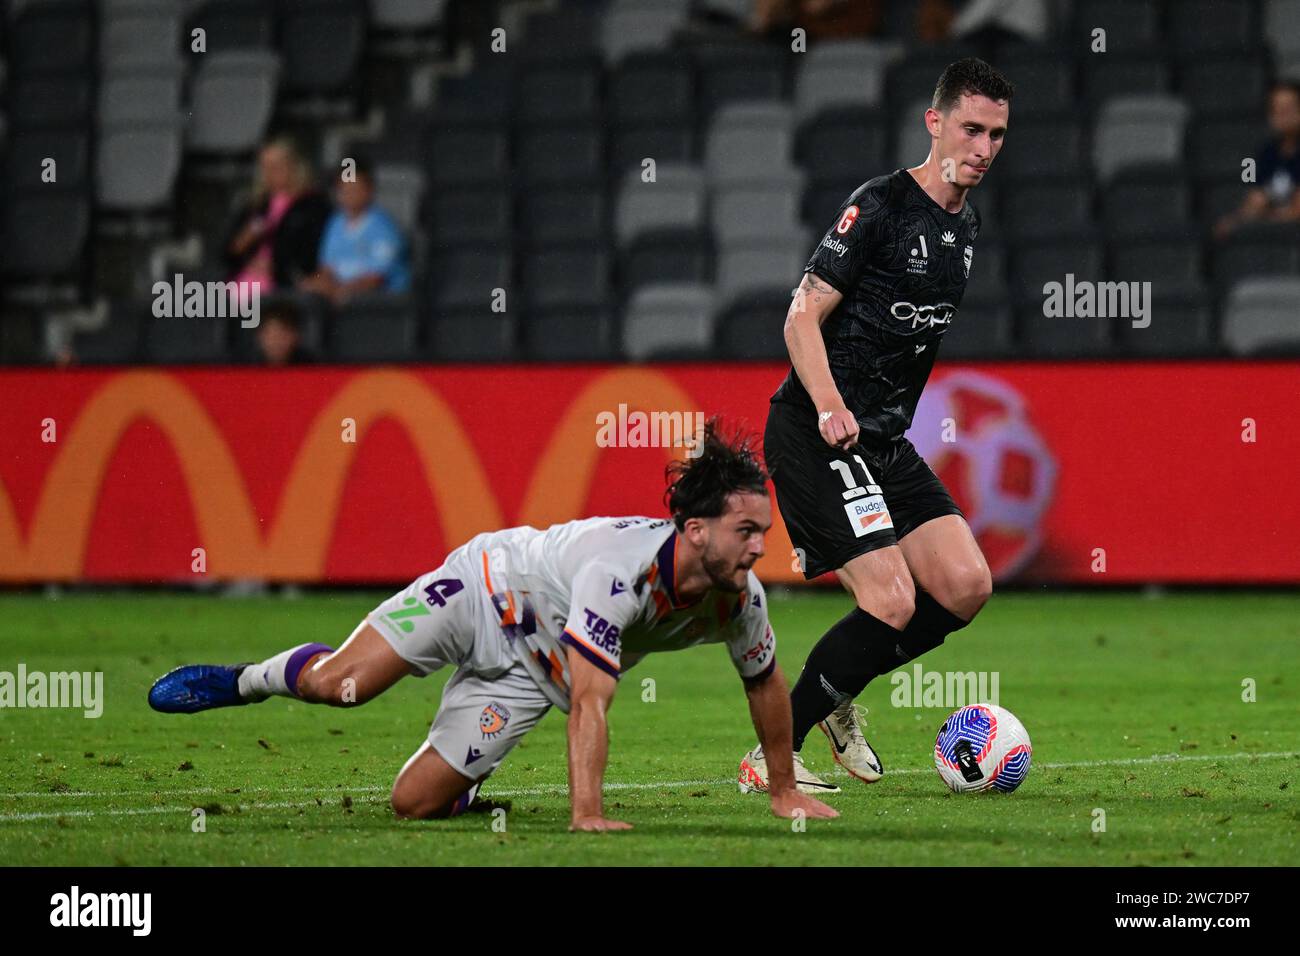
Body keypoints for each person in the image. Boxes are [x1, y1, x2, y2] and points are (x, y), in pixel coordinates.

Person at [148, 423, 838, 830]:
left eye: (763, 533)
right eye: (746, 532)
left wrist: (782, 788)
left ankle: (464, 782)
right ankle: (248, 680)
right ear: (695, 530)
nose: (759, 548)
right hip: (482, 591)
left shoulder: (739, 601)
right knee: (343, 684)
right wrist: (586, 812)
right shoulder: (617, 572)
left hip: (534, 675)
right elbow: (593, 699)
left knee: (412, 806)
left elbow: (765, 684)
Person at [737, 58, 1010, 795]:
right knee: (888, 600)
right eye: (970, 129)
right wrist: (829, 405)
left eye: (996, 135)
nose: (983, 149)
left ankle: (833, 692)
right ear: (934, 122)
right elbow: (801, 314)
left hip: (882, 443)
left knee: (964, 585)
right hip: (814, 429)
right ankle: (771, 757)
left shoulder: (965, 227)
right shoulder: (881, 206)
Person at [224, 137, 332, 294]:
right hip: (245, 280)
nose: (269, 172)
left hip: (287, 284)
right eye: (265, 166)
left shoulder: (313, 204)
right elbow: (228, 253)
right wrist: (245, 242)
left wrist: (275, 266)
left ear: (294, 166)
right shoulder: (256, 205)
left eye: (276, 166)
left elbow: (312, 252)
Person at [299, 159, 411, 306]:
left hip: (379, 304)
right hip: (339, 298)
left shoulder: (384, 228)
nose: (349, 195)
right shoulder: (335, 223)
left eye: (355, 189)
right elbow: (326, 268)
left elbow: (376, 278)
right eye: (344, 189)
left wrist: (342, 290)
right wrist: (317, 283)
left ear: (369, 190)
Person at [1214, 81, 1300, 240]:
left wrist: (1263, 219)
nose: (1281, 115)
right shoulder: (1268, 152)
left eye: (1288, 109)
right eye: (1275, 109)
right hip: (1275, 234)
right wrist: (1237, 221)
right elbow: (1256, 199)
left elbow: (1297, 211)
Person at [255, 301, 314, 366]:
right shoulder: (247, 364)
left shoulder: (313, 366)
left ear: (296, 336)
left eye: (282, 336)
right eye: (272, 336)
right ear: (260, 336)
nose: (276, 342)